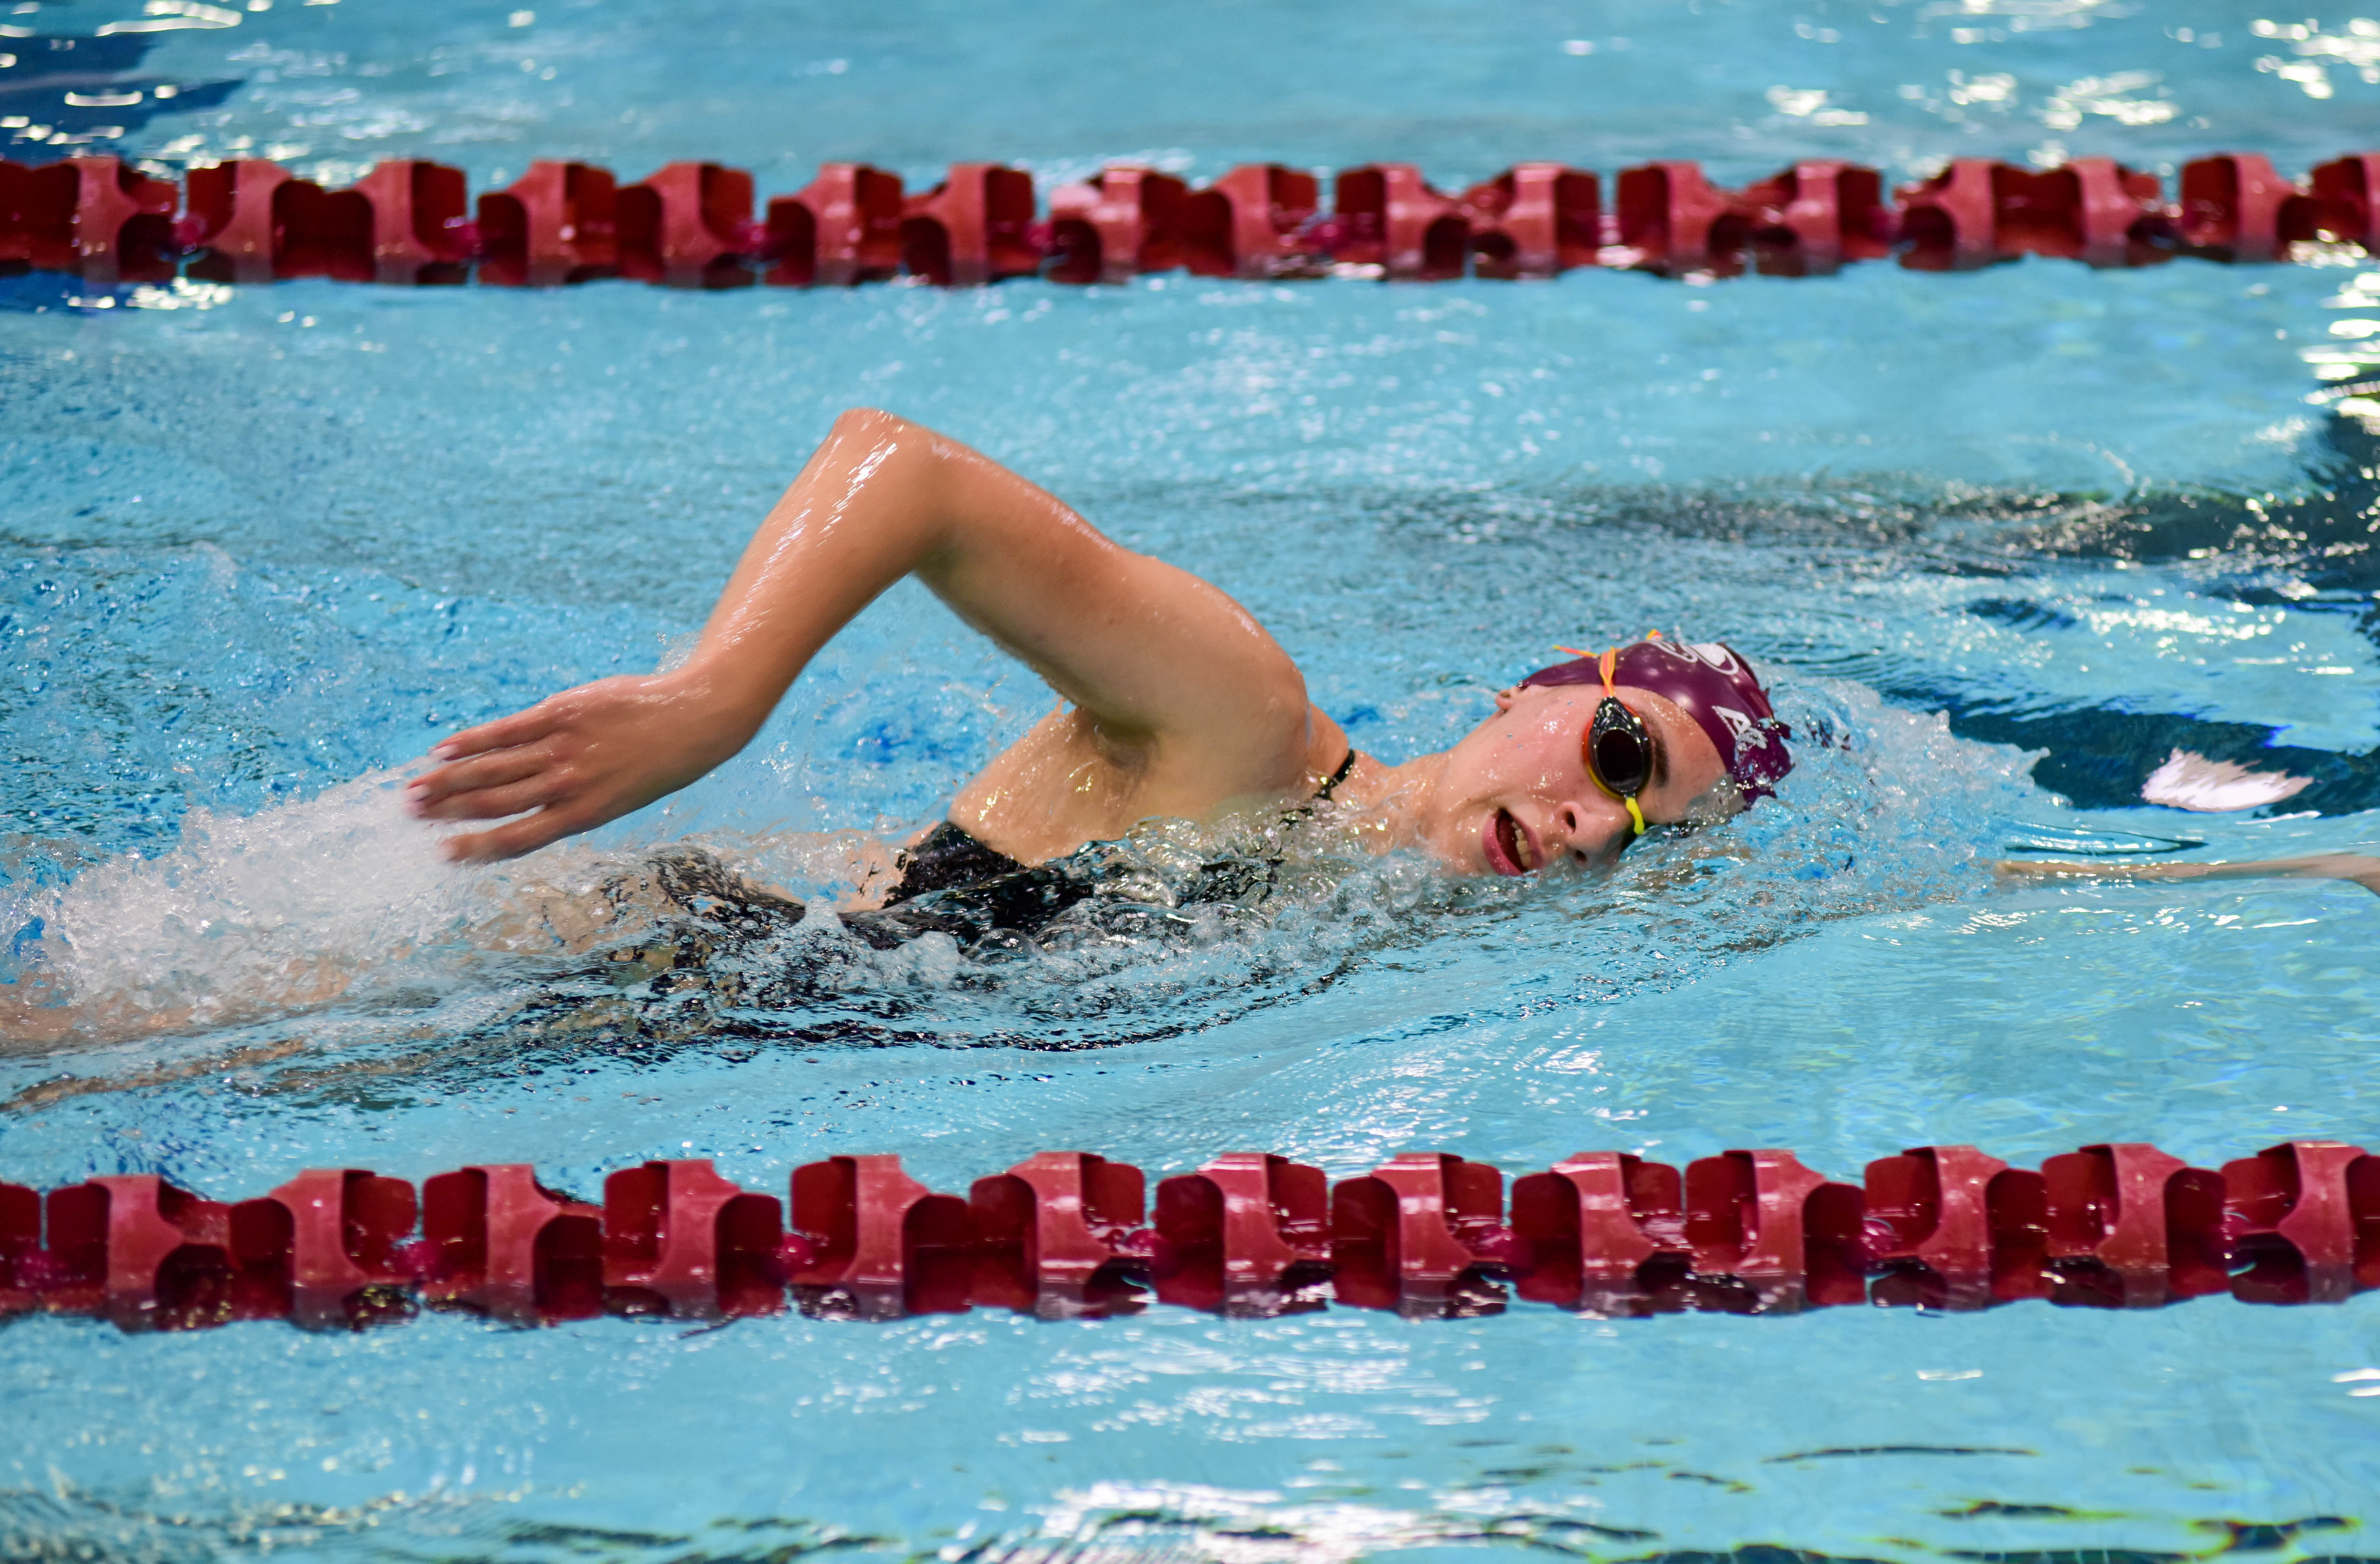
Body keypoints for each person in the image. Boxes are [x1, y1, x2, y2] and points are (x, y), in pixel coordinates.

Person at [405, 408, 1791, 943]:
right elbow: (908, 475)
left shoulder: (1365, 908)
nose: (1603, 825)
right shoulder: (1244, 720)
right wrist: (715, 698)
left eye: (1649, 832)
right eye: (1623, 754)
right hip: (626, 945)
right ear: (1529, 693)